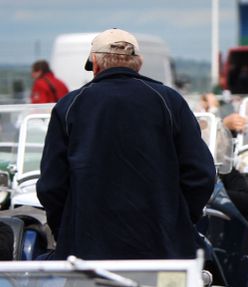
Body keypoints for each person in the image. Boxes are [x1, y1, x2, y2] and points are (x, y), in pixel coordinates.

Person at [36, 28, 216, 260]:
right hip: (163, 250)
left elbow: (52, 186)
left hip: (87, 253)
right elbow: (201, 174)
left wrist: (68, 230)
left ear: (96, 64)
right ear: (138, 63)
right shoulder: (169, 101)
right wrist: (177, 219)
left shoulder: (69, 106)